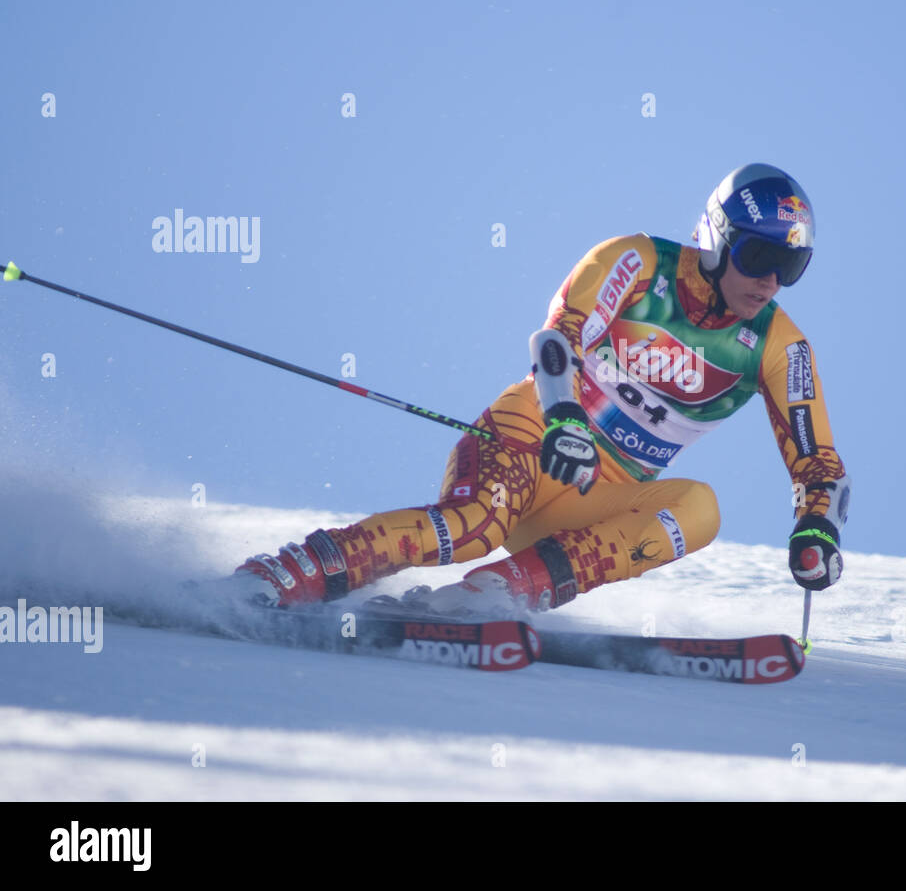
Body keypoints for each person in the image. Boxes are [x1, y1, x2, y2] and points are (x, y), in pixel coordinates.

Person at [234, 163, 850, 617]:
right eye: (758, 255)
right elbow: (559, 338)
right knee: (473, 527)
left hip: (590, 497)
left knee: (700, 509)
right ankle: (284, 575)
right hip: (535, 434)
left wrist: (817, 526)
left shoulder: (780, 345)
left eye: (790, 267)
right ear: (716, 238)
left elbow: (816, 460)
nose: (770, 281)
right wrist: (566, 416)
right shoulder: (637, 261)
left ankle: (487, 599)